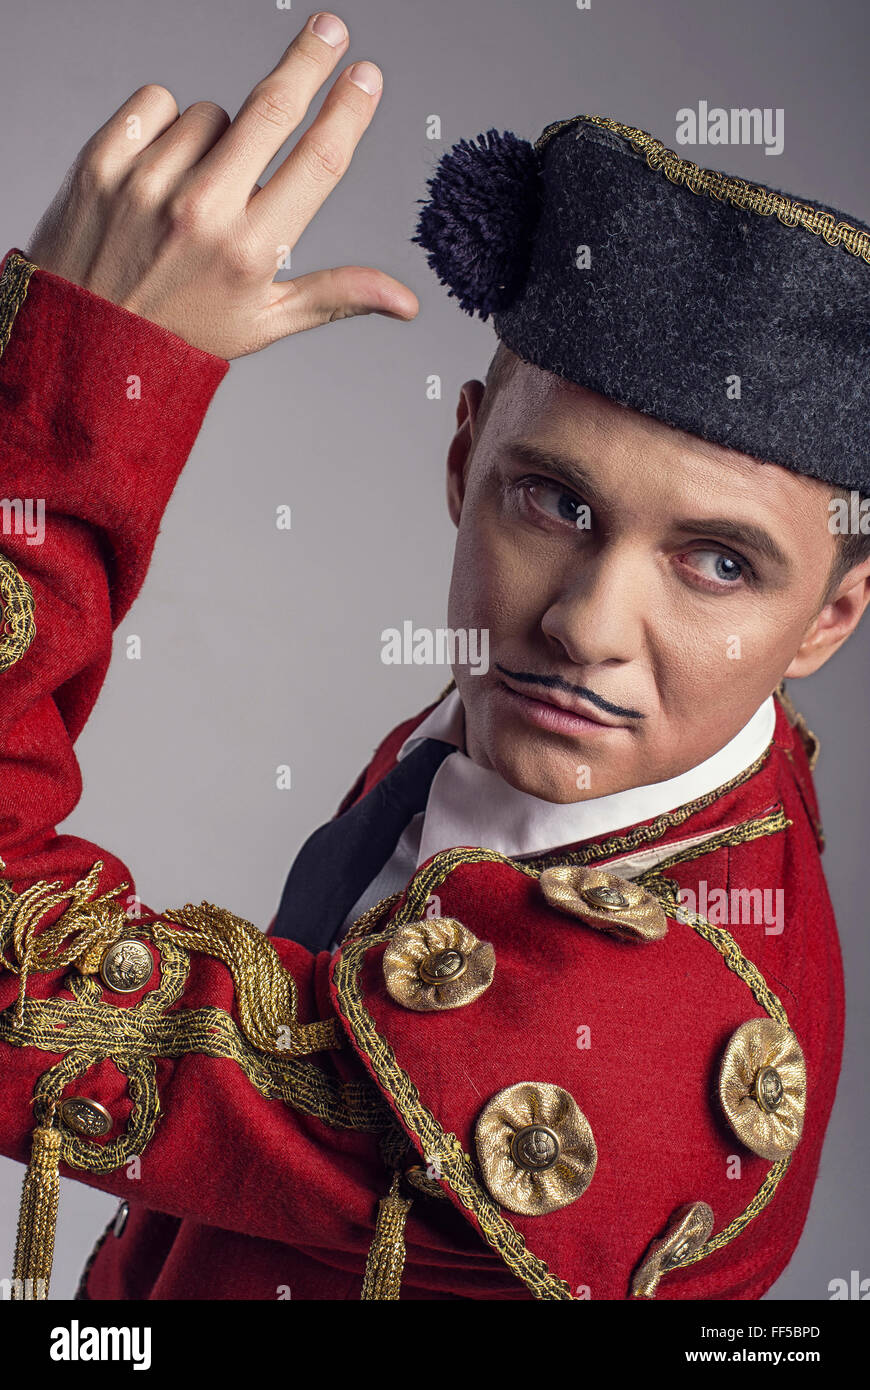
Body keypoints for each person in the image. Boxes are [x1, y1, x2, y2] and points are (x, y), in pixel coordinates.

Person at [0, 10, 868, 1301]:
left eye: (718, 561)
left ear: (830, 618)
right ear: (463, 457)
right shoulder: (610, 744)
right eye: (556, 503)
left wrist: (99, 385)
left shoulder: (616, 1053)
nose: (582, 623)